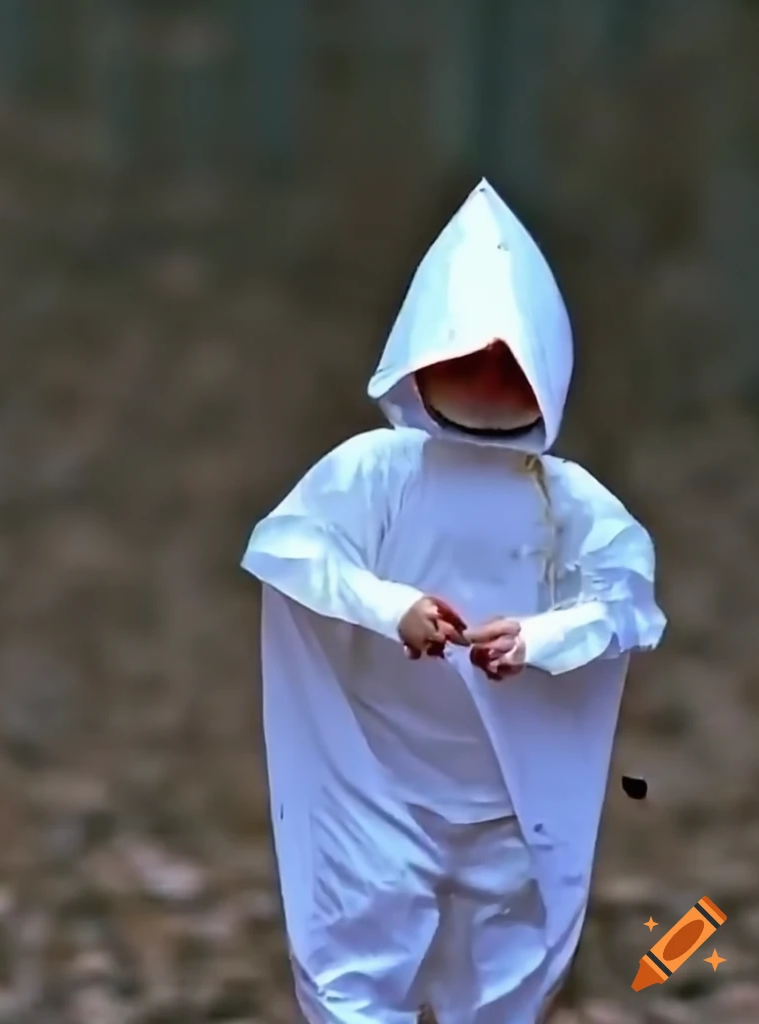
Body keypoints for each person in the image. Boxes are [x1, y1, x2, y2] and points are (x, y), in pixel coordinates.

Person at [240, 179, 666, 1024]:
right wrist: (386, 605)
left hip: (506, 801)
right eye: (463, 357)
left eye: (508, 365)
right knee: (355, 972)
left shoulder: (570, 501)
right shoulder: (374, 472)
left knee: (504, 978)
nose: (483, 381)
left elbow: (626, 599)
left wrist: (540, 639)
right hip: (381, 784)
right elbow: (290, 546)